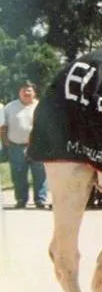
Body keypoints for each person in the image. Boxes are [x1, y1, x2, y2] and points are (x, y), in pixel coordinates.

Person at [0, 80, 48, 209]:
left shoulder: (40, 106)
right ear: (19, 92)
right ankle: (21, 200)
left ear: (34, 92)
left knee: (40, 174)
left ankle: (40, 200)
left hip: (37, 146)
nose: (26, 93)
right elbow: (3, 126)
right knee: (18, 174)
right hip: (16, 146)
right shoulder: (10, 107)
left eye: (29, 90)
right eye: (23, 90)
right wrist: (6, 142)